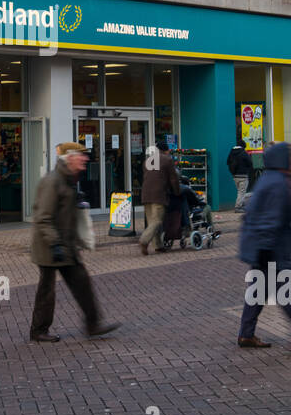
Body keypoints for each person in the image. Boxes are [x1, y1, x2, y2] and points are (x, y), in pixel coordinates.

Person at [237, 141, 291, 350]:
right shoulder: (278, 182)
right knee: (285, 292)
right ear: (283, 159)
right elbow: (271, 219)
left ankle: (246, 334)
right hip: (272, 250)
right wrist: (272, 256)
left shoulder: (271, 178)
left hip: (264, 248)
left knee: (258, 292)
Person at [29, 142, 119, 342]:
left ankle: (93, 325)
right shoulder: (53, 182)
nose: (86, 159)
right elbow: (42, 217)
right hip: (50, 246)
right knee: (47, 290)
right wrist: (56, 244)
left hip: (65, 245)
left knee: (82, 283)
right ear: (69, 158)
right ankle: (38, 331)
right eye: (81, 155)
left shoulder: (68, 180)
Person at [139, 138, 180, 254]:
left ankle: (158, 245)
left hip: (146, 194)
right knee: (157, 221)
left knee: (152, 220)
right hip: (159, 194)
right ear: (166, 150)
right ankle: (144, 240)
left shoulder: (148, 160)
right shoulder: (167, 160)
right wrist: (177, 191)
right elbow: (173, 179)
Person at [226, 141, 254, 212]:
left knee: (240, 191)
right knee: (241, 192)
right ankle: (238, 207)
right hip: (243, 175)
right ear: (243, 146)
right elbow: (250, 163)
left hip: (235, 175)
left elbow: (228, 162)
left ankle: (241, 204)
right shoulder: (243, 153)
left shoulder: (231, 152)